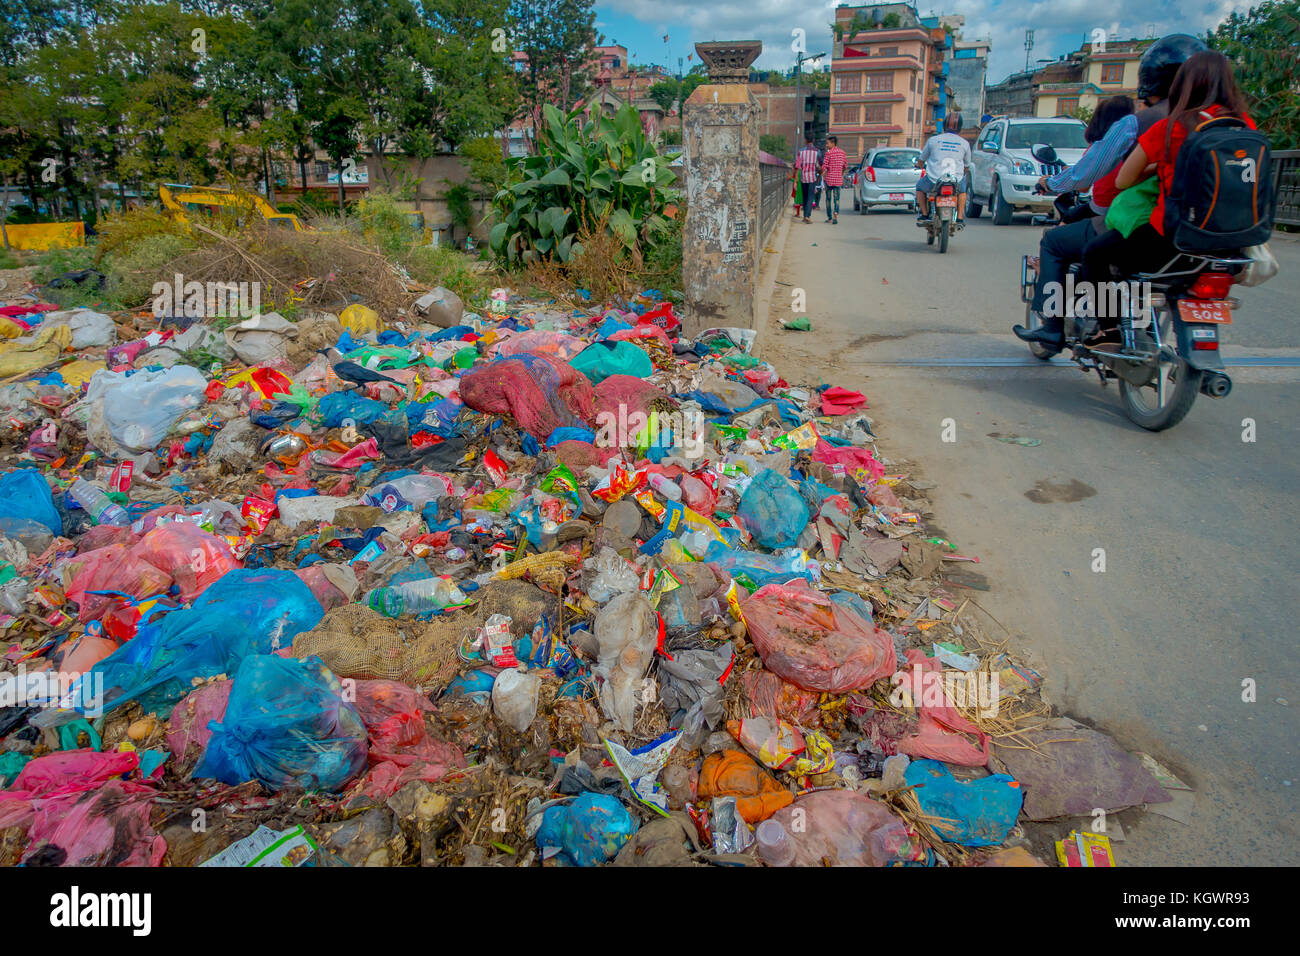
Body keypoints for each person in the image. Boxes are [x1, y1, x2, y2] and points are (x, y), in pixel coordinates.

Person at [1014, 33, 1208, 352]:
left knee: (1055, 242)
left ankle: (1055, 327)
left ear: (1150, 79)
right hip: (1198, 234)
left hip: (1145, 224)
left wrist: (1052, 183)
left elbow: (1090, 174)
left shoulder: (1142, 124)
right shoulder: (1212, 121)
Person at [1083, 51, 1255, 286]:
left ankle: (1109, 324)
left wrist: (1157, 167)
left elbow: (1123, 180)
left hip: (1173, 238)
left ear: (1183, 85)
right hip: (1234, 241)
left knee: (1094, 254)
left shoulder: (1173, 126)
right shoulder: (1246, 126)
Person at [915, 113, 970, 223]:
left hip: (934, 180)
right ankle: (959, 218)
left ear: (944, 126)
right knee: (963, 192)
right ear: (960, 128)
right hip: (955, 181)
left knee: (919, 188)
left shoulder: (933, 140)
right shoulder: (965, 143)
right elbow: (967, 165)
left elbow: (922, 159)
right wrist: (963, 172)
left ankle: (925, 214)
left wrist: (919, 164)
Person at [821, 135, 848, 224]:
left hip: (829, 180)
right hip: (838, 180)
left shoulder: (828, 153)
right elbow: (845, 166)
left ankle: (829, 217)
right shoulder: (842, 153)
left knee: (828, 199)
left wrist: (823, 174)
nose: (826, 145)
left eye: (827, 143)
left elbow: (824, 166)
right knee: (837, 199)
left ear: (833, 143)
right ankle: (835, 215)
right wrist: (841, 173)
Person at [794, 135, 820, 223]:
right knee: (810, 197)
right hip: (812, 178)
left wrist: (795, 180)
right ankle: (807, 216)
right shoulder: (817, 151)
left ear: (805, 140)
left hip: (803, 177)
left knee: (805, 197)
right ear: (813, 140)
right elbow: (820, 165)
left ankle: (805, 215)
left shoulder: (801, 152)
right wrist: (819, 175)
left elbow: (797, 166)